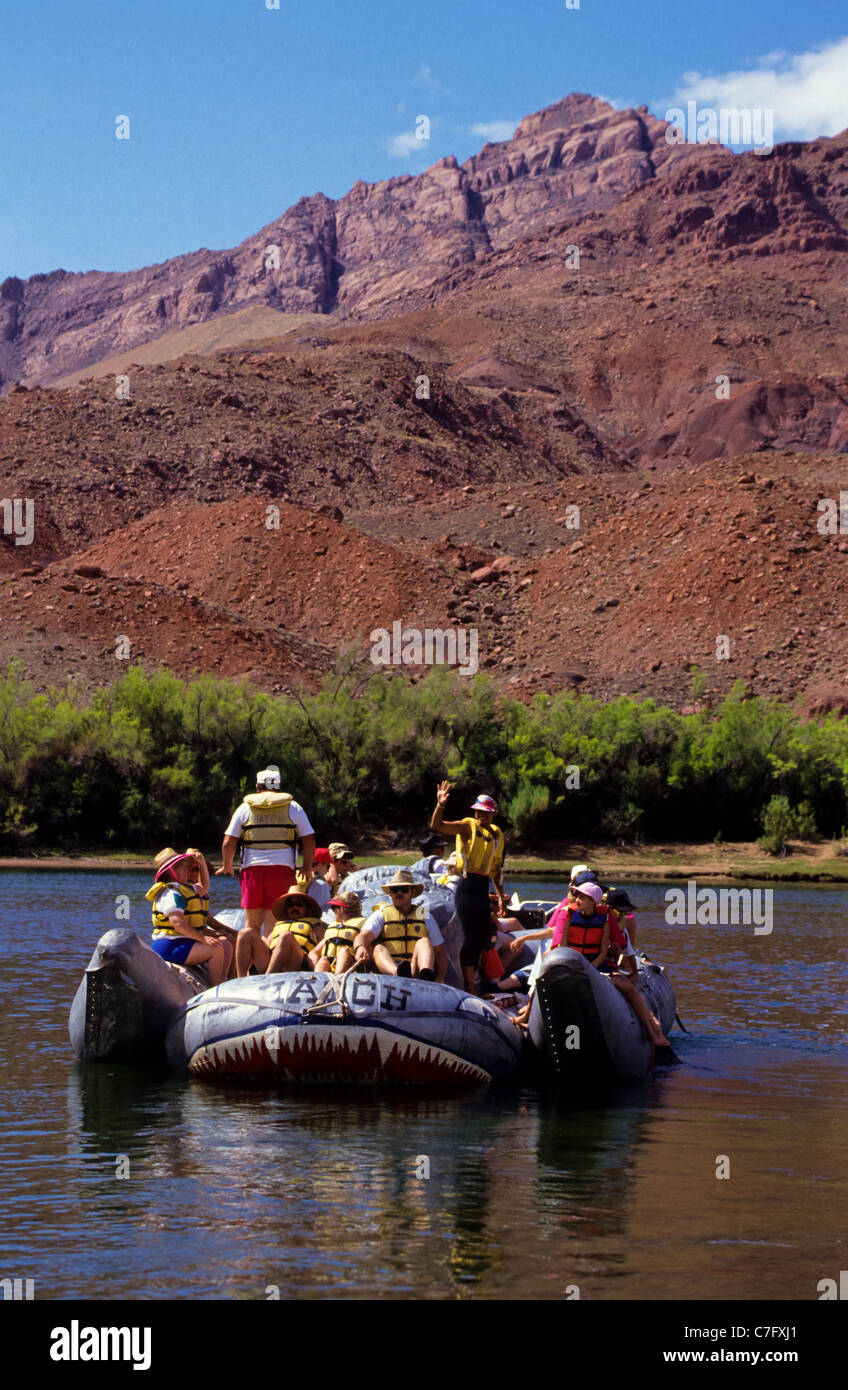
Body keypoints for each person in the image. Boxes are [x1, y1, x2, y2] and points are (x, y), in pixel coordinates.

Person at [217, 764, 315, 977]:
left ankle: (246, 974)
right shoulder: (293, 807)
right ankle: (271, 970)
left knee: (250, 926)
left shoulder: (245, 808)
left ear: (257, 786)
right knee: (275, 925)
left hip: (252, 871)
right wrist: (307, 866)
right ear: (278, 787)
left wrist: (226, 865)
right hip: (282, 871)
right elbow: (309, 840)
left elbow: (228, 842)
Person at [552, 883, 668, 1046]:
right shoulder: (568, 915)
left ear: (593, 901)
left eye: (582, 897)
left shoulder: (605, 919)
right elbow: (561, 946)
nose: (577, 900)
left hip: (598, 965)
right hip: (573, 963)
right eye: (577, 896)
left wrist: (592, 968)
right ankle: (528, 1015)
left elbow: (606, 952)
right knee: (541, 983)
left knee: (629, 989)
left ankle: (653, 1031)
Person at [430, 781, 505, 994]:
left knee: (484, 938)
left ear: (494, 814)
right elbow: (437, 826)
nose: (482, 816)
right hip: (467, 887)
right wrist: (440, 805)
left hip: (482, 888)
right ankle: (469, 988)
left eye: (487, 813)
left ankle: (482, 985)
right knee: (470, 939)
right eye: (479, 812)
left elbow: (496, 870)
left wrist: (500, 896)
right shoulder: (466, 826)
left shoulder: (496, 835)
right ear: (475, 812)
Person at [146, 847, 233, 984]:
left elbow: (204, 887)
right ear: (171, 871)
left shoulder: (185, 888)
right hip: (169, 945)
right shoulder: (171, 893)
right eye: (182, 866)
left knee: (226, 945)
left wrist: (202, 864)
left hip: (183, 942)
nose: (187, 869)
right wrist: (203, 939)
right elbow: (176, 923)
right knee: (215, 949)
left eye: (188, 866)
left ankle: (224, 980)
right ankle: (216, 987)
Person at [353, 870, 448, 982]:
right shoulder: (381, 914)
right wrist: (360, 947)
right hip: (389, 974)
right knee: (378, 948)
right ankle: (398, 972)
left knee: (425, 942)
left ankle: (425, 975)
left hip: (414, 970)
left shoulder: (425, 916)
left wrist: (441, 977)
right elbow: (363, 936)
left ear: (412, 893)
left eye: (404, 889)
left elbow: (439, 952)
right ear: (390, 894)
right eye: (394, 890)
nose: (399, 893)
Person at [265, 887, 325, 974]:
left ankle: (268, 975)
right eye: (291, 905)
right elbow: (267, 949)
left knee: (286, 936)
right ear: (286, 909)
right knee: (246, 933)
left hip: (298, 963)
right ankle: (241, 979)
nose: (295, 907)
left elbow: (325, 947)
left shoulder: (316, 928)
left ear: (307, 908)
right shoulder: (278, 927)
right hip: (272, 961)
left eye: (299, 904)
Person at [313, 891, 367, 974]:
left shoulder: (363, 926)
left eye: (334, 907)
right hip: (329, 965)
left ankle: (337, 978)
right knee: (323, 960)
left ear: (342, 909)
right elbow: (316, 951)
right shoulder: (333, 926)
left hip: (352, 969)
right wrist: (314, 956)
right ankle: (318, 981)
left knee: (343, 951)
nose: (333, 911)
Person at [304, 847, 333, 913]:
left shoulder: (302, 877)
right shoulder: (321, 885)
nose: (328, 870)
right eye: (328, 866)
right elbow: (323, 911)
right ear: (320, 865)